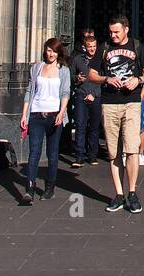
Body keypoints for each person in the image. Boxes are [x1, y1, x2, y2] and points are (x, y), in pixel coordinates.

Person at [88, 14, 144, 214]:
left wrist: (139, 80)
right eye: (111, 32)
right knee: (114, 152)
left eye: (116, 31)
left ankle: (132, 193)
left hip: (131, 102)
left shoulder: (137, 46)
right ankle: (118, 193)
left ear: (126, 29)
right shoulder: (104, 48)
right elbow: (91, 74)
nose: (113, 35)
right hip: (109, 104)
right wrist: (106, 79)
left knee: (132, 149)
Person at [20, 37, 70, 204]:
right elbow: (29, 90)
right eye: (49, 50)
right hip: (36, 115)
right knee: (34, 152)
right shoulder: (36, 68)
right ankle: (29, 189)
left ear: (59, 53)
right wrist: (24, 114)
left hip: (54, 115)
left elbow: (65, 93)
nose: (51, 54)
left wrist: (62, 112)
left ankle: (50, 187)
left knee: (52, 153)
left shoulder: (64, 70)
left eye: (54, 51)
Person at [70, 28, 101, 167]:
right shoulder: (77, 60)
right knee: (80, 125)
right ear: (85, 47)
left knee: (94, 127)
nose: (92, 49)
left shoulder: (101, 61)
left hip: (95, 96)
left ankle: (93, 155)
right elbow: (70, 76)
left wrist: (94, 94)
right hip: (81, 95)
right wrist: (77, 78)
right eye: (90, 47)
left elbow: (103, 79)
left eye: (94, 46)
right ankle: (79, 156)